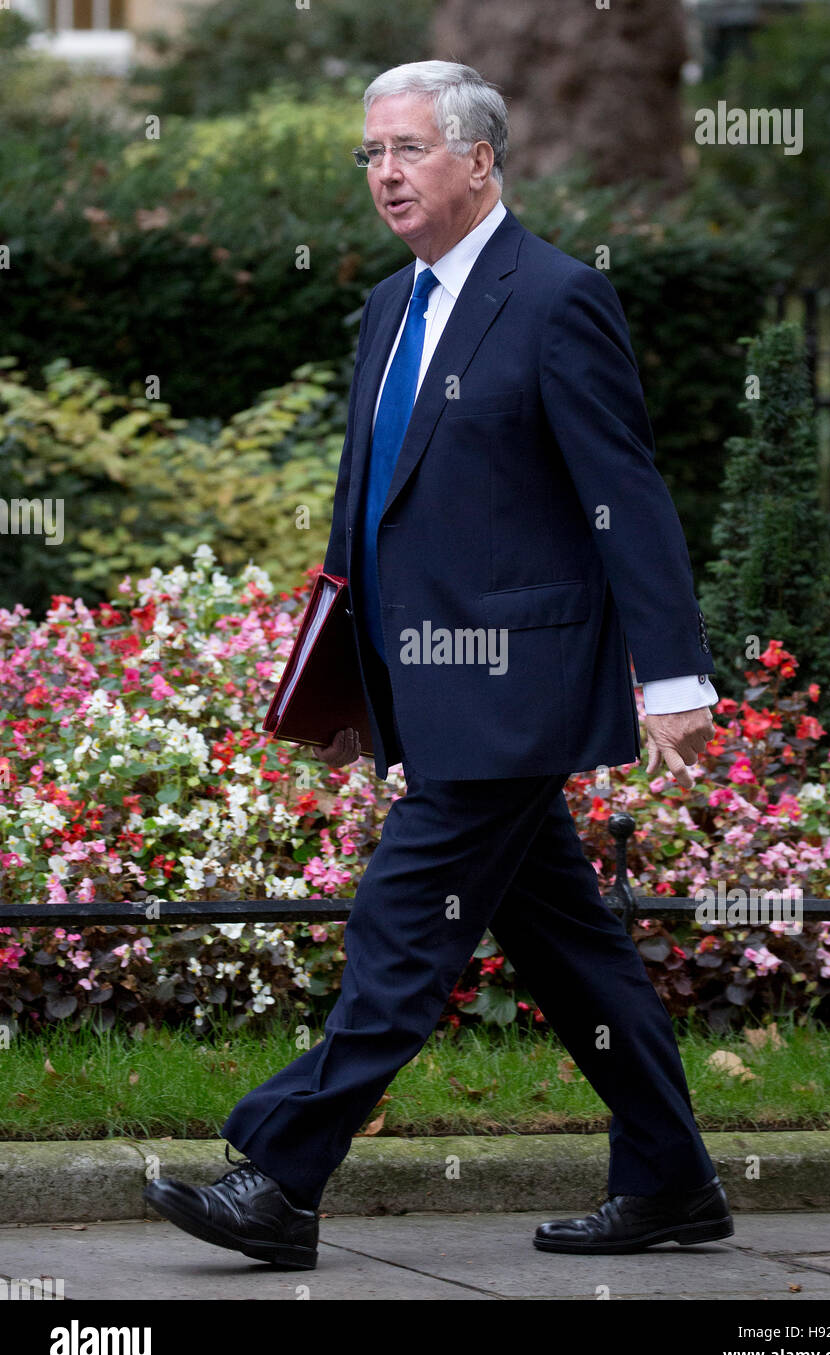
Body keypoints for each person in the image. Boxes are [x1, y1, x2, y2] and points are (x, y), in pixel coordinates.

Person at [144, 59, 733, 1270]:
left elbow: (625, 493)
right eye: (370, 155)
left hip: (517, 687)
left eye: (407, 150)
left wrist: (672, 677)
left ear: (479, 159)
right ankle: (672, 1179)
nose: (385, 174)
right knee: (570, 951)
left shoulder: (555, 297)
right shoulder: (386, 306)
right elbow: (371, 510)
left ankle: (280, 1175)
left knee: (402, 927)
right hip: (426, 680)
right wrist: (355, 682)